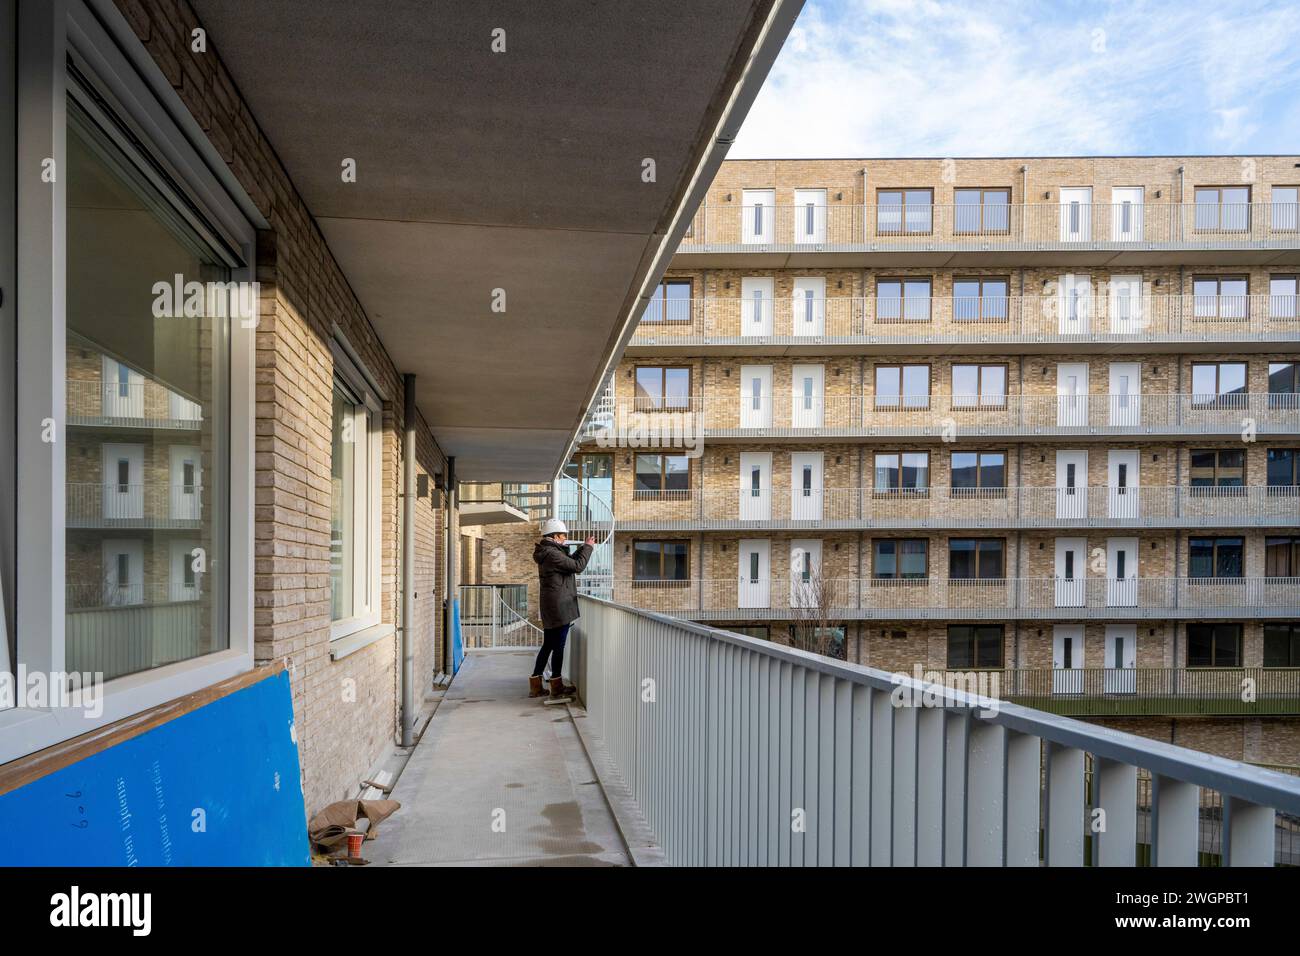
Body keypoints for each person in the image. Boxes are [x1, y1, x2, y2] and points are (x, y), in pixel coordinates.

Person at [530, 518, 595, 698]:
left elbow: (569, 563)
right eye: (563, 536)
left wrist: (583, 548)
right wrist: (588, 547)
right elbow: (577, 566)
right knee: (558, 646)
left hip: (552, 605)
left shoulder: (548, 552)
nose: (565, 539)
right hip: (559, 607)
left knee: (549, 645)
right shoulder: (552, 554)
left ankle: (535, 685)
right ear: (555, 536)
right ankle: (556, 687)